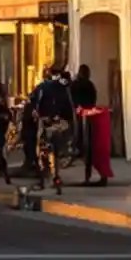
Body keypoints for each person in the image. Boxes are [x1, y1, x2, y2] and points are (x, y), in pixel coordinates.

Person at [32, 65, 75, 193]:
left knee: (43, 150)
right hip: (61, 123)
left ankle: (46, 177)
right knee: (56, 151)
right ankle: (56, 175)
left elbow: (36, 104)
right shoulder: (64, 88)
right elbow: (69, 107)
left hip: (47, 122)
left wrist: (39, 115)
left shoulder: (43, 87)